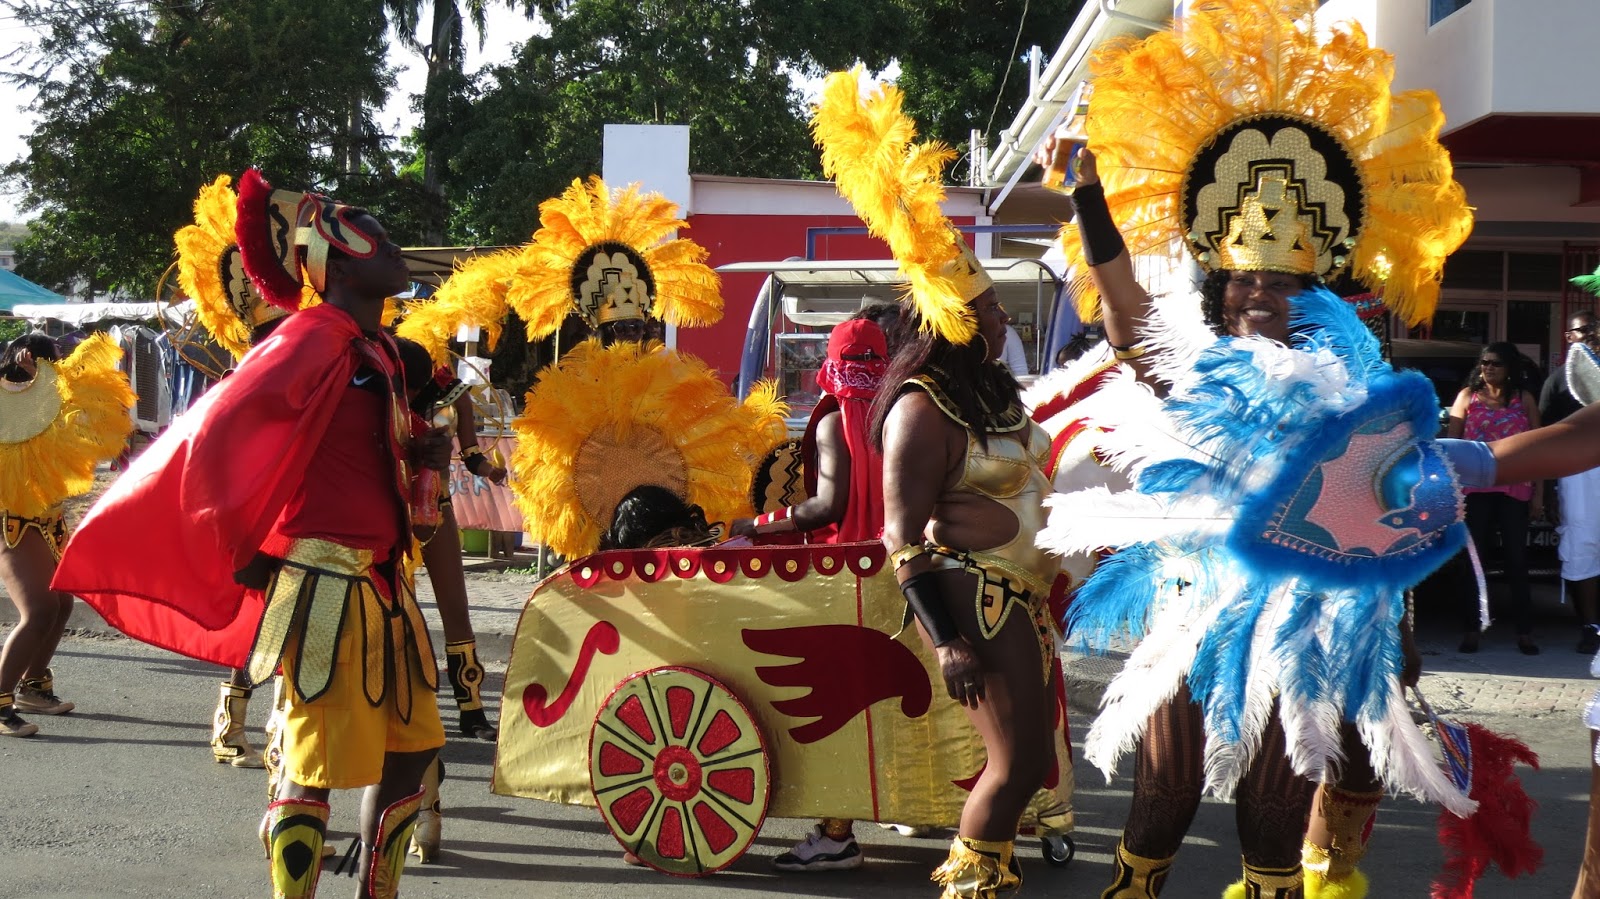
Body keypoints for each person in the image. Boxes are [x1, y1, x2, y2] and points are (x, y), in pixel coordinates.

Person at [1039, 3, 1473, 895]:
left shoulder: (1354, 386)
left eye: (1280, 277)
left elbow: (1383, 511)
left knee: (1272, 818)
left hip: (1303, 619)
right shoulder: (1195, 371)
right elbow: (1126, 321)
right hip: (1193, 601)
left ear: (1311, 286)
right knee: (1160, 798)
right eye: (1243, 275)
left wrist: (1392, 629)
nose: (1258, 292)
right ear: (1219, 285)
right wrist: (1088, 198)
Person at [53, 169, 451, 899]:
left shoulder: (383, 352)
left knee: (414, 750)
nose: (397, 248)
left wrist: (421, 451)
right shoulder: (309, 336)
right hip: (325, 585)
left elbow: (375, 463)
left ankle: (376, 891)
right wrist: (239, 543)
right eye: (381, 238)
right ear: (335, 260)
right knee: (311, 763)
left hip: (388, 582)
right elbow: (220, 432)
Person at [814, 66, 1064, 898]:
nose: (1003, 322)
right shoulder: (920, 408)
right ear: (958, 322)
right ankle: (969, 884)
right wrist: (944, 637)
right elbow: (899, 533)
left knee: (1028, 765)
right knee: (1017, 763)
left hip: (1018, 596)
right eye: (991, 312)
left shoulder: (986, 389)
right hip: (975, 602)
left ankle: (987, 878)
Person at [730, 310, 894, 872]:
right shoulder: (901, 411)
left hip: (840, 573)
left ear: (830, 362)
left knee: (836, 703)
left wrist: (757, 525)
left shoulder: (830, 422)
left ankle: (835, 833)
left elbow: (828, 507)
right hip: (900, 568)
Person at [0, 331, 134, 737]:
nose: (60, 367)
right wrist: (36, 381)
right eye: (52, 360)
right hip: (11, 521)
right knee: (38, 609)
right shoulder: (7, 399)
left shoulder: (55, 401)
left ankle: (34, 686)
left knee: (61, 604)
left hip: (48, 521)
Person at [1449, 342, 1543, 655]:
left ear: (1510, 368)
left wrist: (1539, 494)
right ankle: (1471, 628)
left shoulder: (1524, 399)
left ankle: (1524, 632)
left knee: (1517, 560)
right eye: (1485, 362)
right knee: (1475, 561)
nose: (1489, 368)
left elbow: (1538, 447)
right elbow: (1451, 447)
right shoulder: (1467, 398)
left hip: (1515, 487)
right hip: (1475, 490)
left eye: (1496, 363)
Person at [1542, 308, 1600, 653]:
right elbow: (1545, 435)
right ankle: (1591, 627)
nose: (1590, 336)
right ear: (1569, 337)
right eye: (1582, 331)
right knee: (1583, 545)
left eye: (1594, 329)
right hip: (1577, 473)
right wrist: (1547, 488)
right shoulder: (1558, 380)